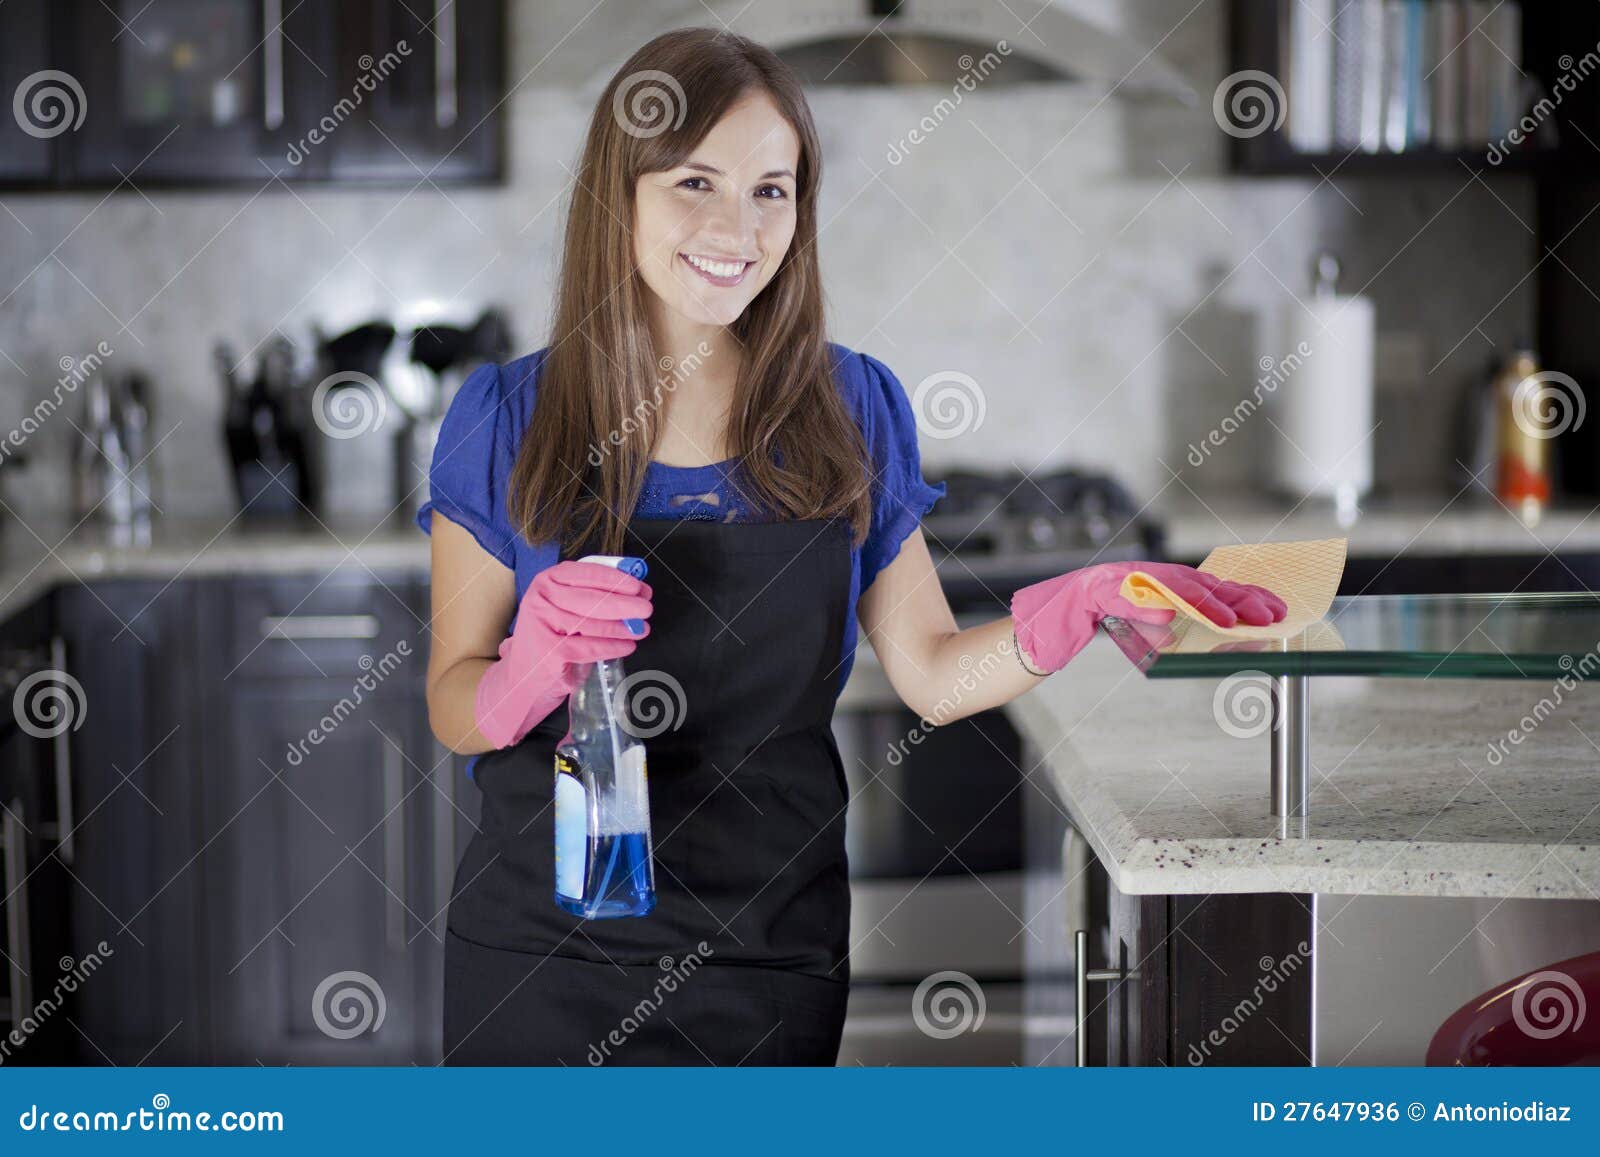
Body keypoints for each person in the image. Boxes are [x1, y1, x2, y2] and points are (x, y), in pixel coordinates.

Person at [417, 27, 1287, 1066]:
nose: (736, 228)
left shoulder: (848, 405)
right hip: (541, 954)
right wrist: (522, 674)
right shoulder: (507, 415)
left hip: (767, 952)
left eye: (770, 191)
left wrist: (1072, 610)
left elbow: (931, 673)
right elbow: (452, 702)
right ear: (622, 194)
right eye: (695, 183)